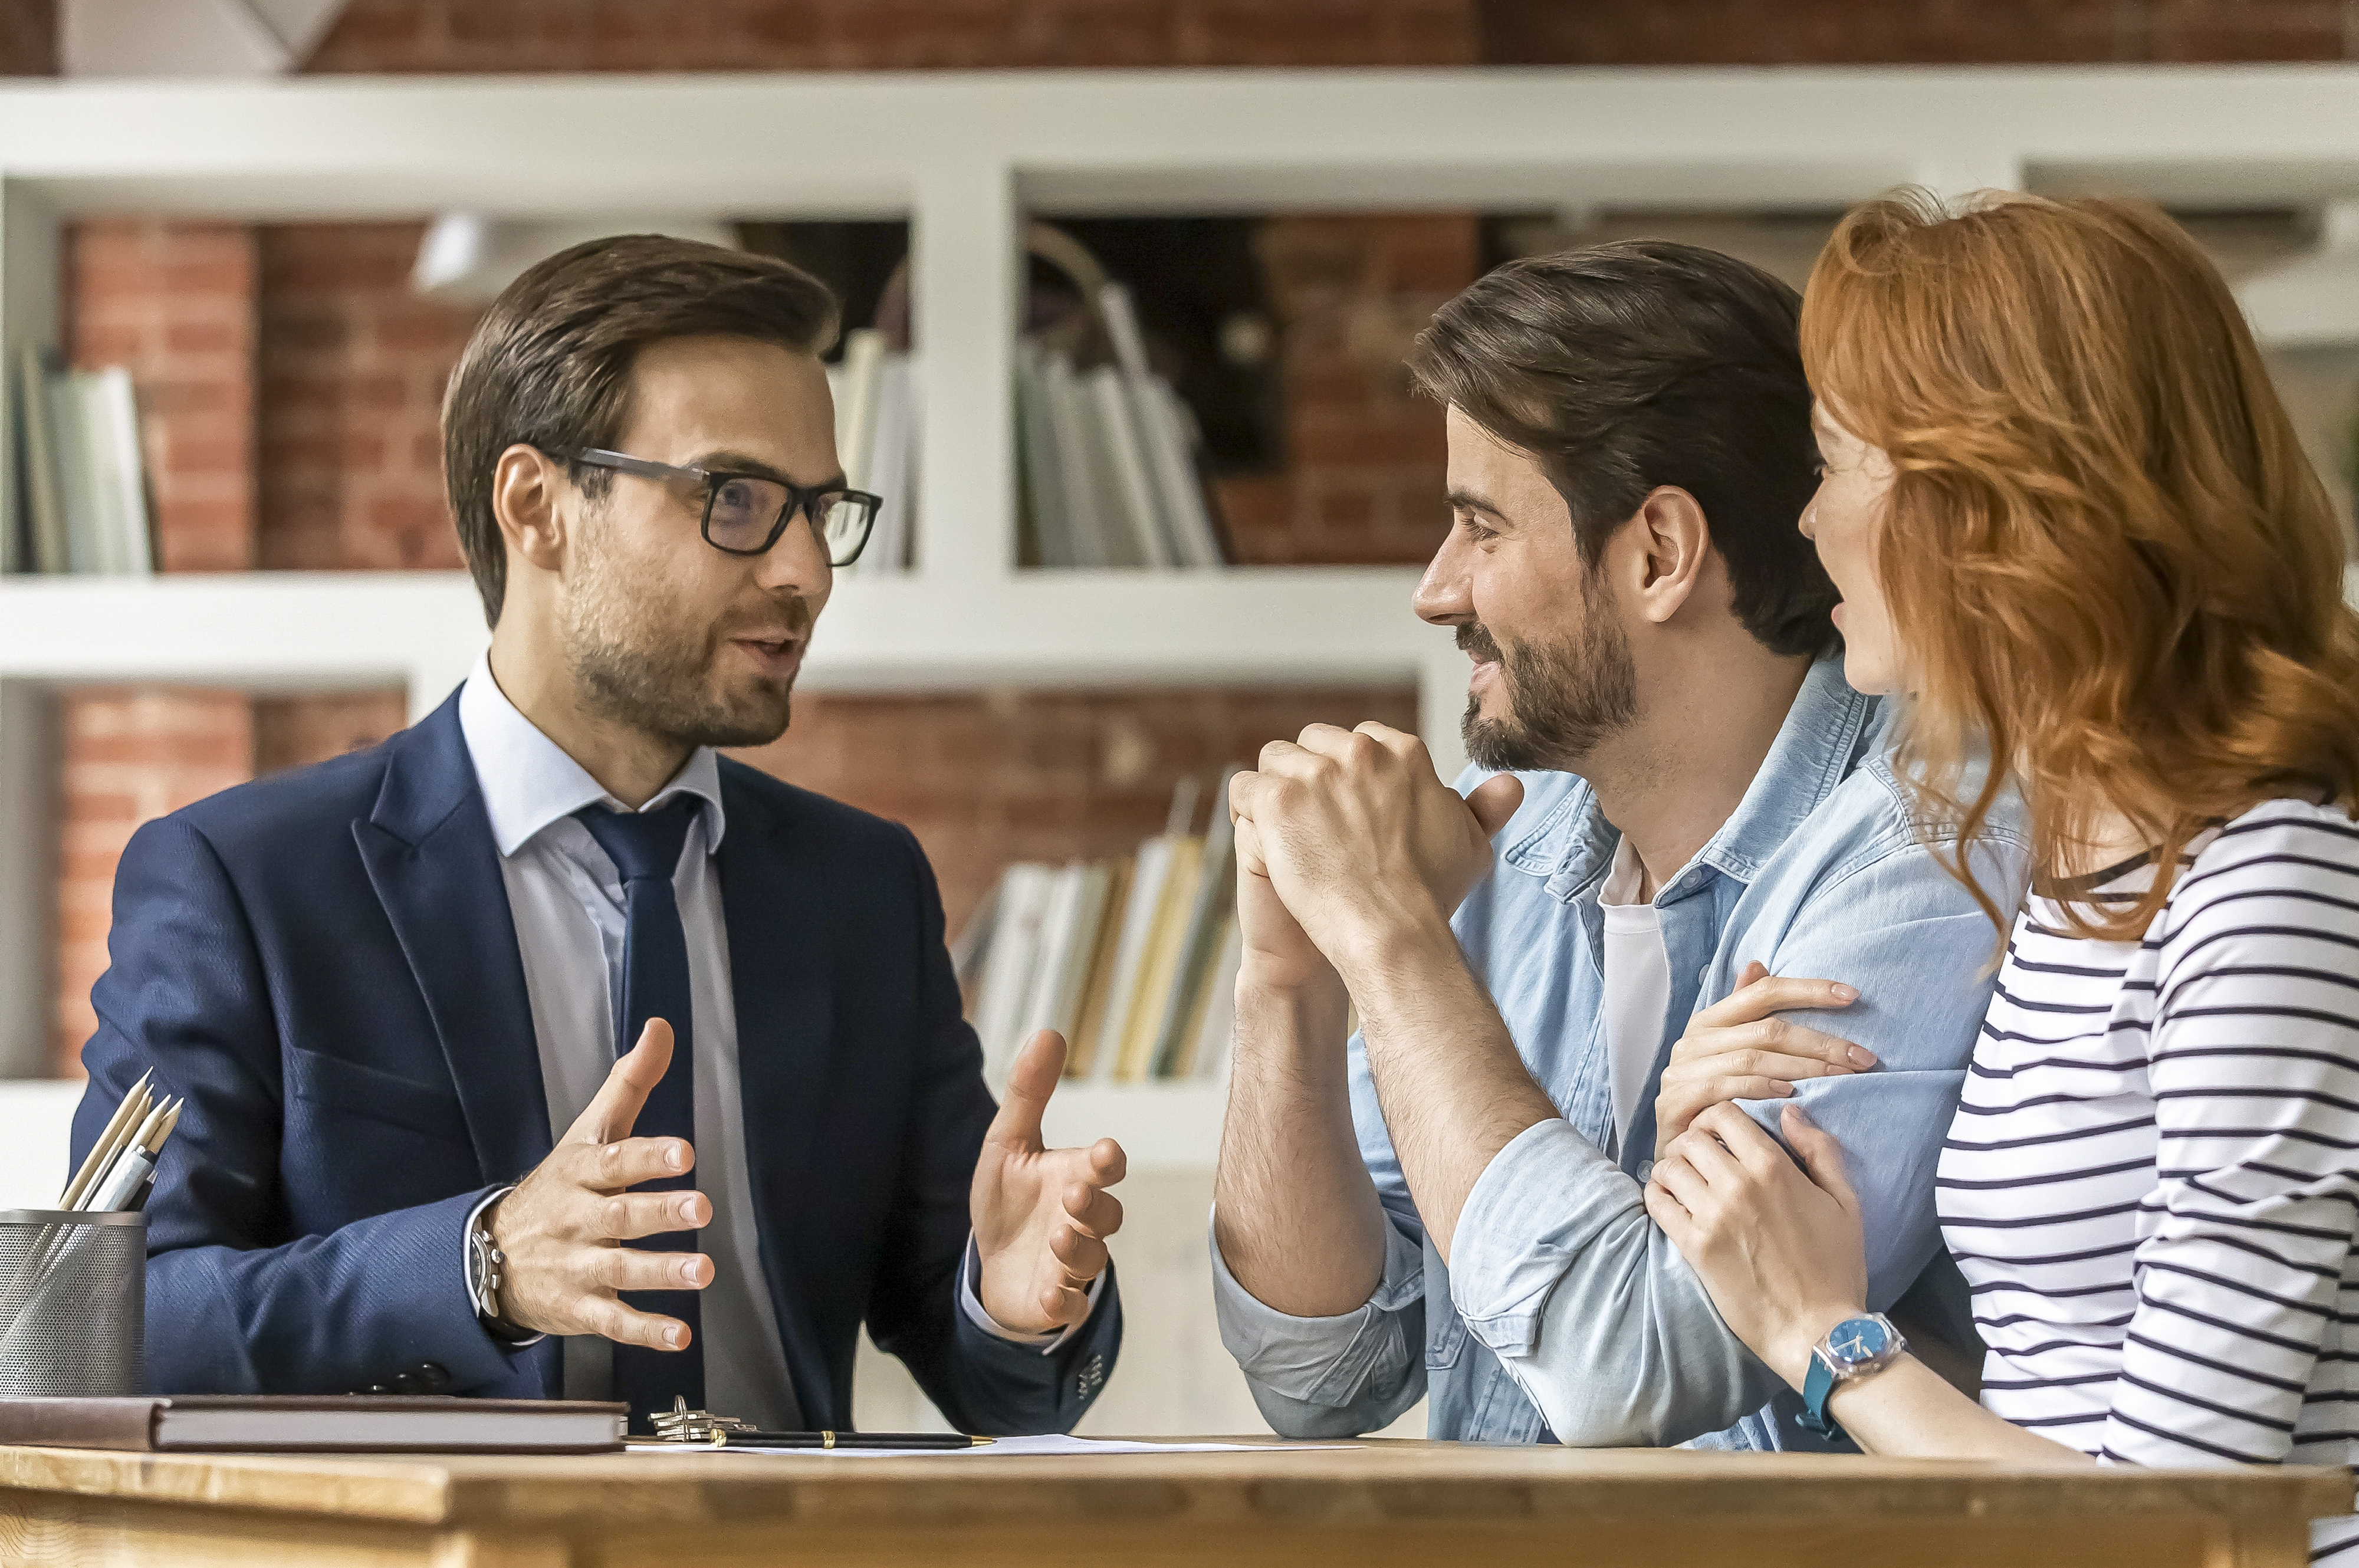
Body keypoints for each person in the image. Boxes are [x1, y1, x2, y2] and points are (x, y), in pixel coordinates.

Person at [73, 235, 1124, 1435]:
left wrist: (1016, 1301)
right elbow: (109, 1328)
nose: (804, 573)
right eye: (734, 499)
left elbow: (982, 1358)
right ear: (536, 506)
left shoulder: (861, 888)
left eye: (820, 511)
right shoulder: (245, 884)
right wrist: (479, 1266)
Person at [1212, 240, 2029, 1449]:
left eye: (1479, 529)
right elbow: (1324, 1380)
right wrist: (1289, 982)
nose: (1435, 592)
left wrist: (1391, 948)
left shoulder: (1923, 854)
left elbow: (1635, 1363)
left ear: (1657, 553)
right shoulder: (1518, 843)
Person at [1645, 191, 2359, 1560]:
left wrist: (1824, 1336)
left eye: (1836, 460)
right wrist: (1724, 1174)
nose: (1804, 523)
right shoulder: (2074, 882)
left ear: (1997, 503)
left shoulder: (2270, 887)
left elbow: (2181, 1514)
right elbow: (2050, 1405)